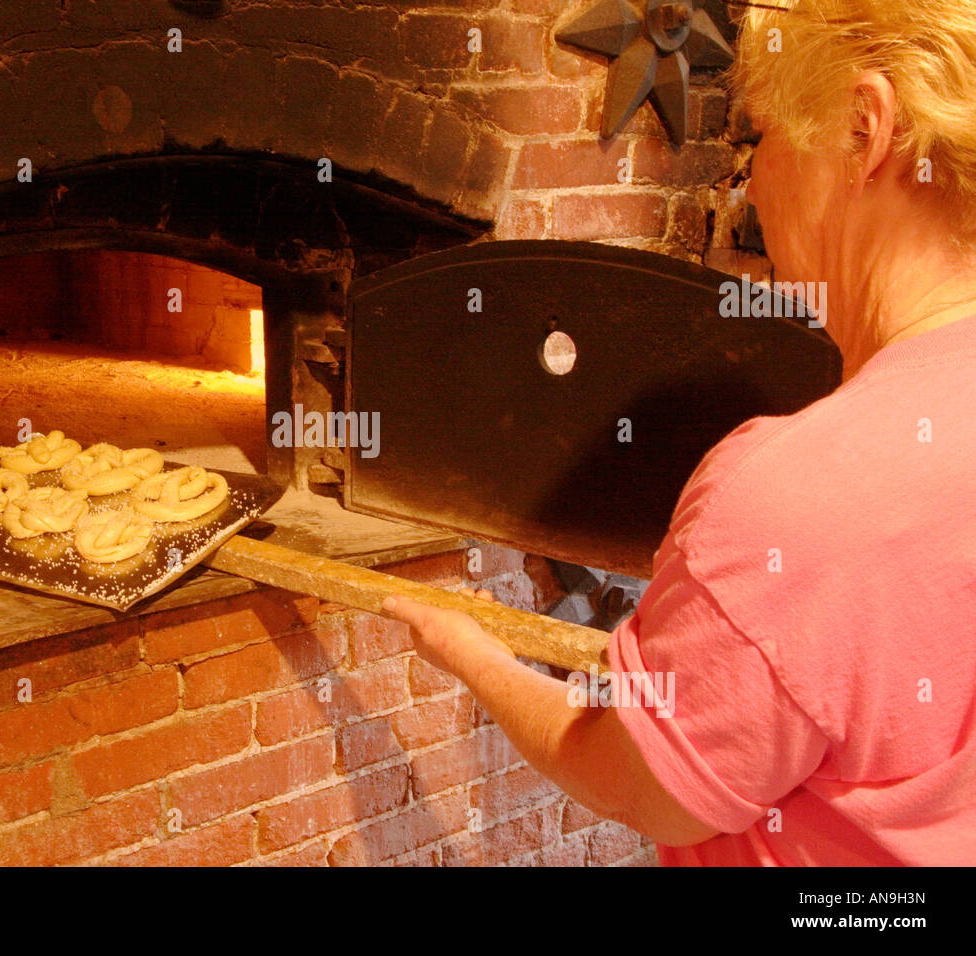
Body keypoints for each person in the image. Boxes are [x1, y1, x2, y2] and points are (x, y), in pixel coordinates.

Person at [384, 0, 976, 865]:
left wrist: (477, 656)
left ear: (863, 127)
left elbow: (641, 785)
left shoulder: (798, 497)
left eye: (764, 138)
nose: (752, 183)